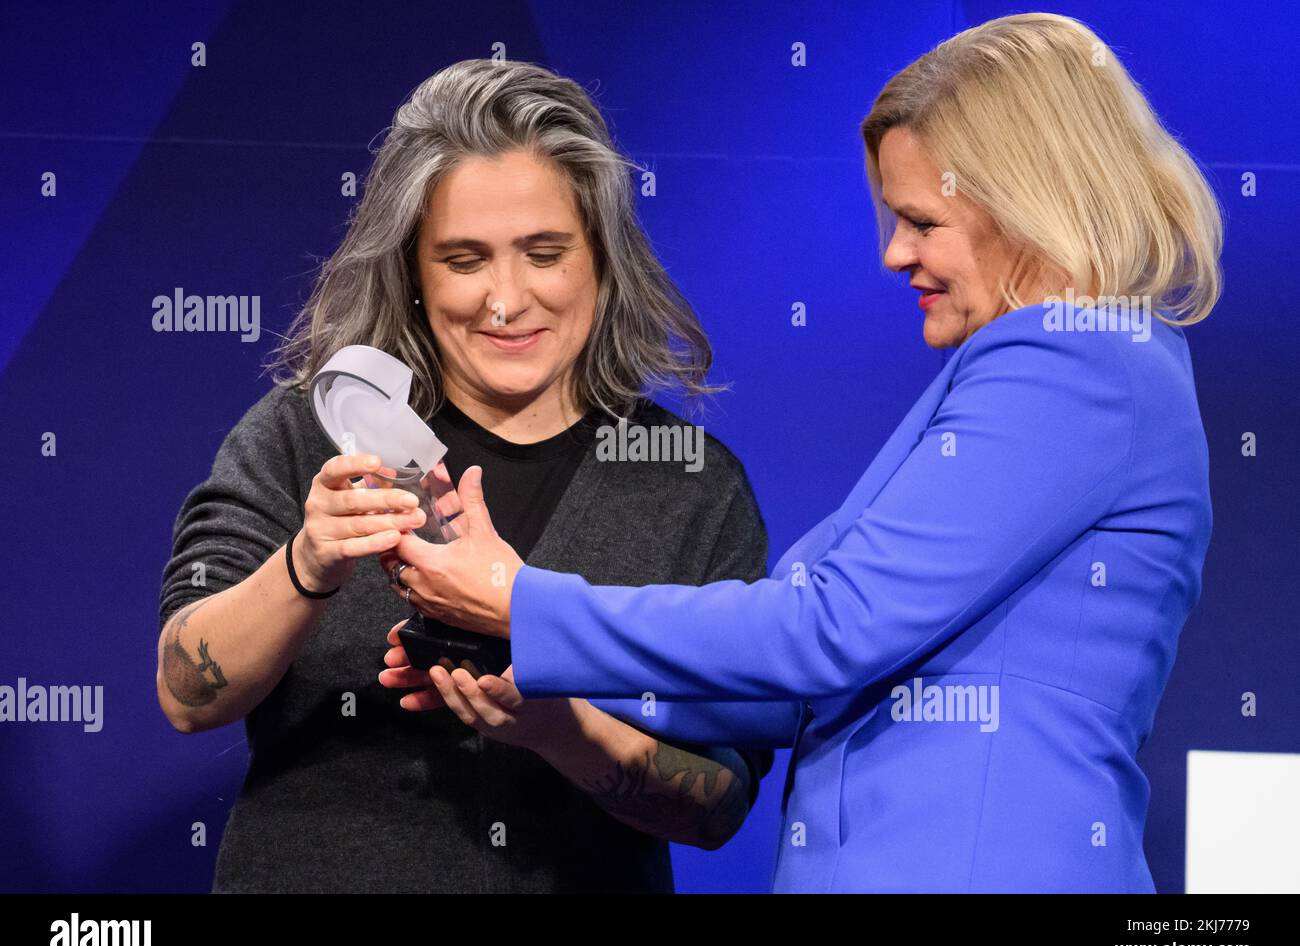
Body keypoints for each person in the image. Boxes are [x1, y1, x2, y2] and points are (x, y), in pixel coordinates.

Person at [381, 13, 1223, 892]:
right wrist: (532, 676)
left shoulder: (1075, 359)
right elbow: (795, 688)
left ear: (1028, 201)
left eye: (920, 220)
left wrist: (519, 598)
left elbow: (832, 628)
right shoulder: (1058, 368)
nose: (894, 253)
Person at [156, 58, 788, 893]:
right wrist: (306, 565)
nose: (505, 298)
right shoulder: (309, 433)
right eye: (463, 258)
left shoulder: (692, 485)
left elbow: (717, 804)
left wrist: (563, 730)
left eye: (544, 252)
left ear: (601, 262)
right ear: (413, 272)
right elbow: (185, 692)